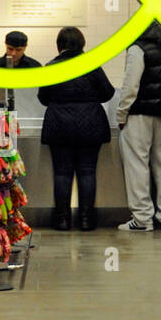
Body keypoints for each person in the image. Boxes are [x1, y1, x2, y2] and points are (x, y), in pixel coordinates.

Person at [37, 26, 114, 231]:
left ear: (59, 45)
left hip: (59, 125)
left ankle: (62, 219)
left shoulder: (51, 67)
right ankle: (87, 220)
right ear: (82, 44)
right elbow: (108, 93)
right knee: (87, 172)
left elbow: (43, 98)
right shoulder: (91, 65)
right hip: (90, 124)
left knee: (62, 173)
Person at [115, 21, 161, 231]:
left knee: (137, 165)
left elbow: (130, 85)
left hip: (139, 114)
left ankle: (143, 219)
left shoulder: (138, 48)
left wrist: (121, 113)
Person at [0, 29, 41, 108]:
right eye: (10, 49)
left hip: (28, 110)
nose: (13, 53)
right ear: (5, 45)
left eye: (18, 50)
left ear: (25, 47)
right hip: (0, 112)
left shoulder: (35, 67)